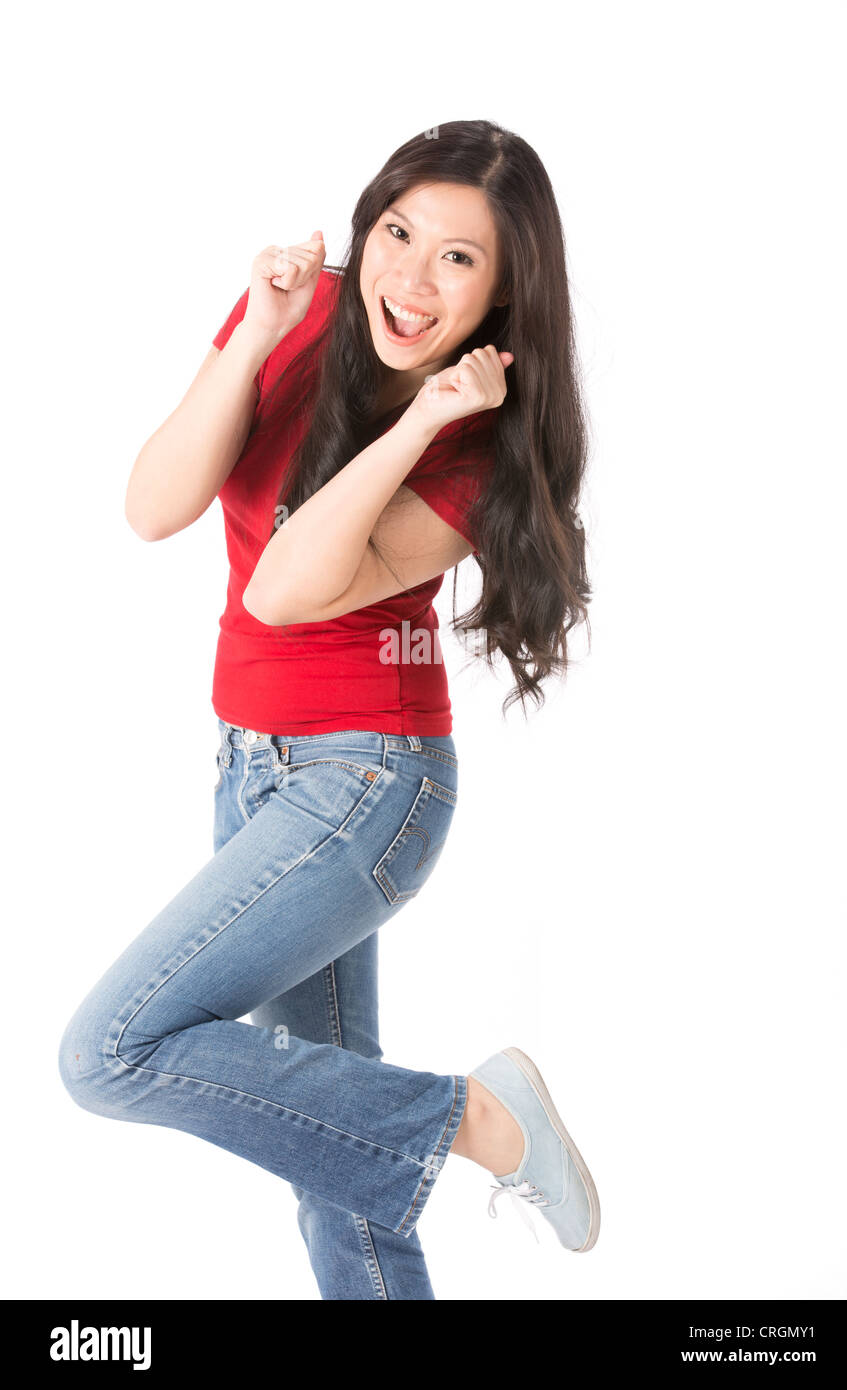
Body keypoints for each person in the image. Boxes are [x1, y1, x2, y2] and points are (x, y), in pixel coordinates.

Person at [57, 119, 599, 1301]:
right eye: (396, 232)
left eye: (456, 260)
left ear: (504, 296)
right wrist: (255, 331)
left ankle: (479, 1117)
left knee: (110, 1052)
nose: (408, 277)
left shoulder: (481, 440)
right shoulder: (305, 312)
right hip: (252, 768)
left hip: (369, 783)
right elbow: (153, 504)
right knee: (327, 1147)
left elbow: (284, 586)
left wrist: (417, 419)